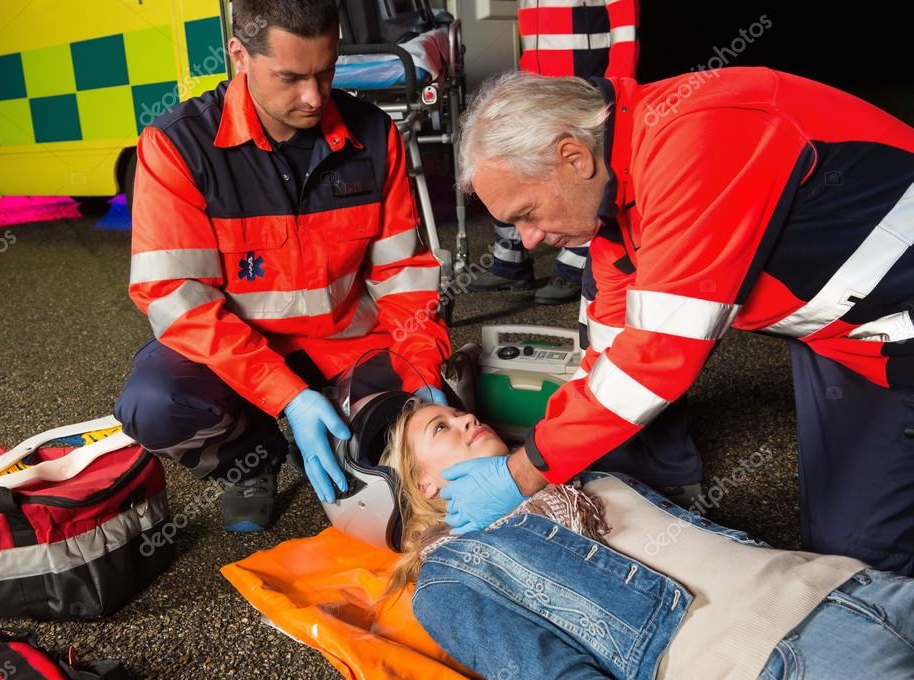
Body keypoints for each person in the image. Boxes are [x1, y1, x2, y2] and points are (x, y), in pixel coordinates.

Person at [439, 68, 914, 574]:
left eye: (527, 213)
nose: (527, 240)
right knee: (838, 543)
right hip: (839, 330)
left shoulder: (703, 137)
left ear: (572, 157)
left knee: (861, 557)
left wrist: (525, 470)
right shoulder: (617, 191)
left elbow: (657, 357)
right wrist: (547, 448)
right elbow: (608, 348)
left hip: (895, 330)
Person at [113, 0, 451, 533]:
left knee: (409, 439)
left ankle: (331, 426)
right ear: (239, 55)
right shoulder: (177, 148)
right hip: (237, 354)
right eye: (291, 77)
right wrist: (287, 396)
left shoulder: (375, 135)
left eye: (326, 71)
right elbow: (177, 300)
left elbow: (404, 276)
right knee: (155, 405)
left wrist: (423, 368)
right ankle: (250, 457)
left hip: (347, 345)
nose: (315, 97)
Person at [383, 400, 914, 680]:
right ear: (426, 485)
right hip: (779, 657)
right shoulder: (453, 576)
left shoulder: (585, 481)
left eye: (457, 413)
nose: (466, 417)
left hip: (850, 583)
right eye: (441, 428)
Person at [470, 0, 640, 304]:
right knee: (510, 173)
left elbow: (626, 26)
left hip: (582, 80)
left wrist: (618, 83)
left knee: (572, 180)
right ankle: (510, 262)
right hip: (536, 85)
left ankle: (574, 265)